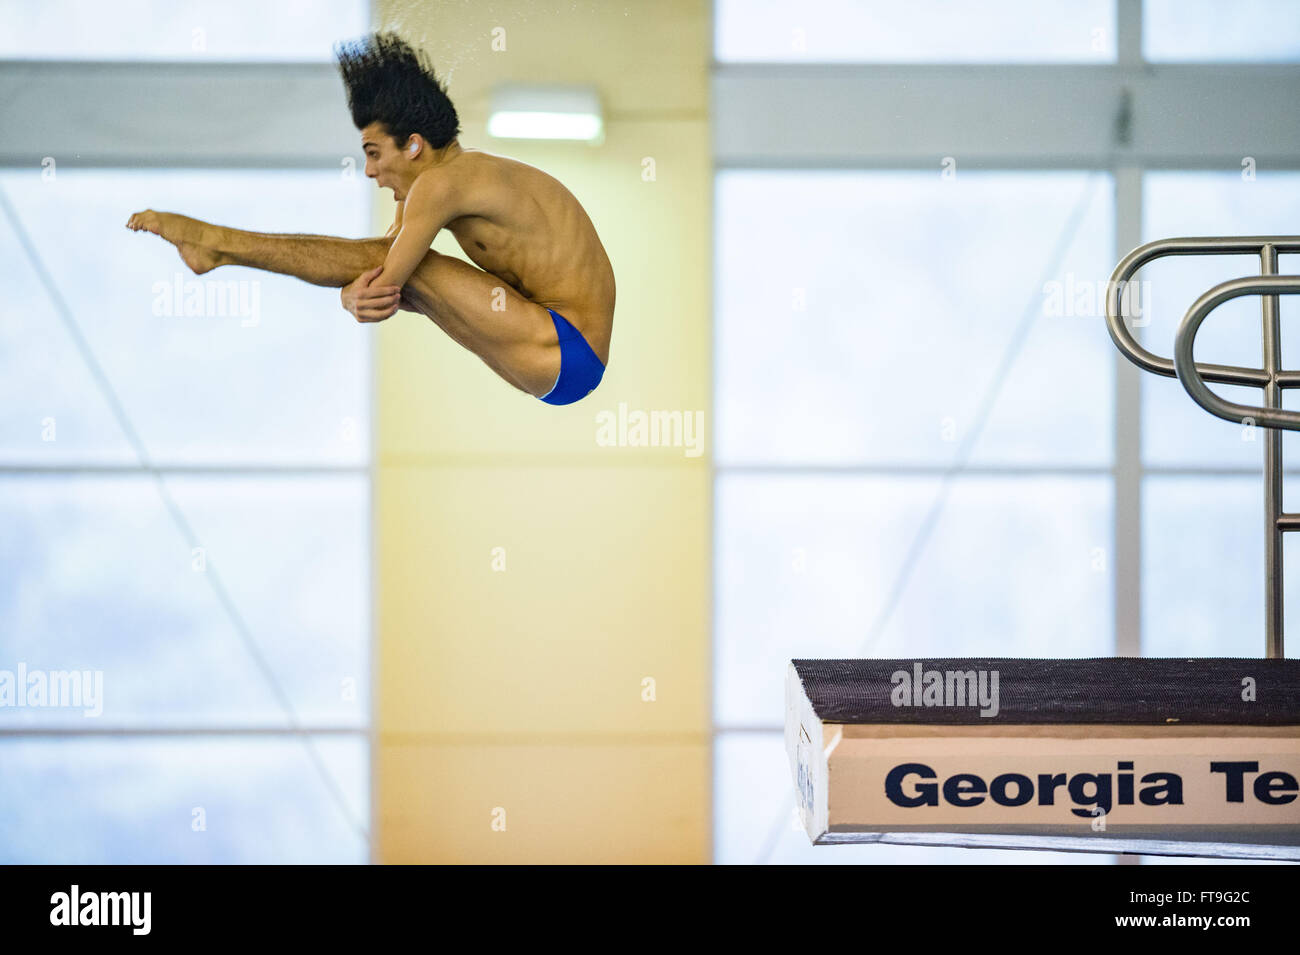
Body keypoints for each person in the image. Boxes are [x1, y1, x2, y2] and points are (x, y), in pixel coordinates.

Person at [126, 32, 614, 405]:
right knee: (410, 270)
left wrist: (351, 294)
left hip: (565, 346)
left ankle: (218, 244)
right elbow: (385, 281)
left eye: (375, 153)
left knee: (406, 266)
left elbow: (382, 276)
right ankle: (218, 247)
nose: (371, 172)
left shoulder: (443, 184)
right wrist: (355, 292)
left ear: (415, 144)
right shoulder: (445, 183)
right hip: (558, 353)